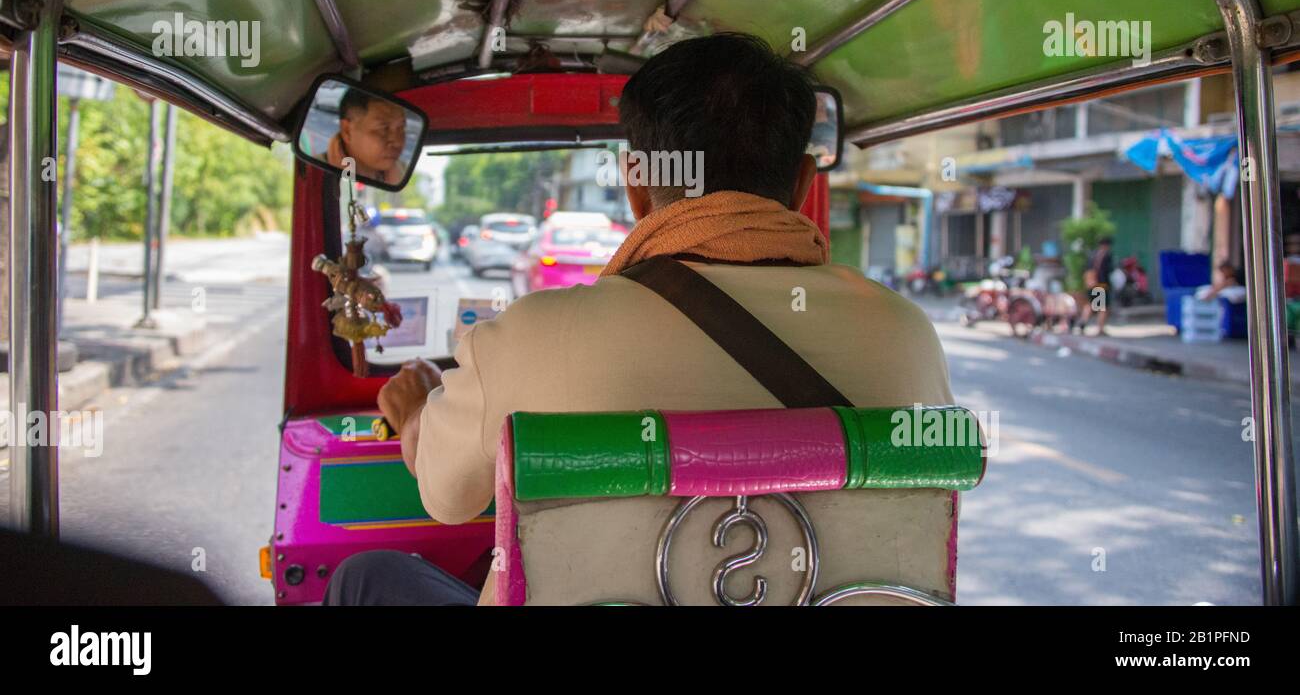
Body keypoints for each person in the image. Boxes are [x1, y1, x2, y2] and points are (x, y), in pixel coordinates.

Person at [324, 33, 955, 606]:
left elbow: (445, 496)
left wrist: (413, 417)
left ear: (637, 189)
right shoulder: (905, 336)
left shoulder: (532, 337)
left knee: (368, 576)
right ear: (800, 184)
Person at [326, 88, 408, 184]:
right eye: (383, 128)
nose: (398, 142)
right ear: (347, 131)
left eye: (401, 128)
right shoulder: (317, 173)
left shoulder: (403, 173)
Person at [1077, 237, 1114, 335]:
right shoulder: (1105, 255)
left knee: (1091, 304)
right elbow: (1108, 270)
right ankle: (1100, 328)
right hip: (1100, 284)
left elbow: (1084, 269)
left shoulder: (1092, 255)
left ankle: (1083, 322)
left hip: (1090, 283)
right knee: (1102, 307)